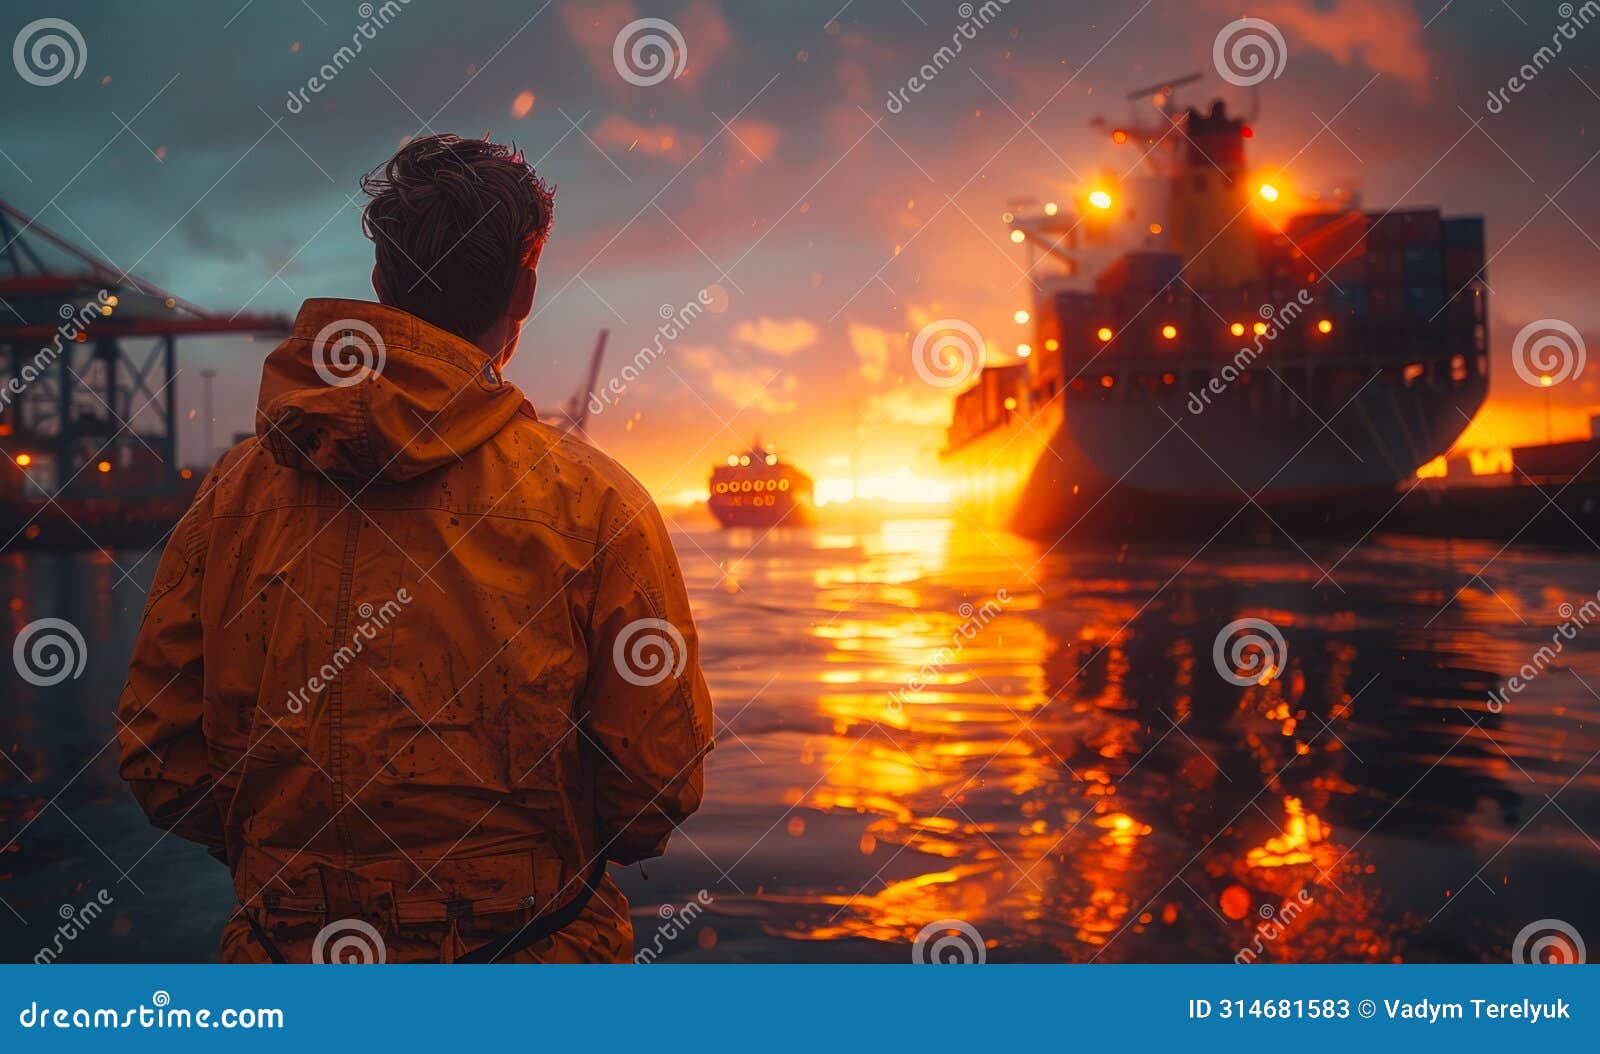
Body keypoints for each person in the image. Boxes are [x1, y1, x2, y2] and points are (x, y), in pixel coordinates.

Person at [116, 134, 713, 963]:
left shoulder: (231, 500)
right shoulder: (598, 505)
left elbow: (158, 750)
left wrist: (294, 864)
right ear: (525, 287)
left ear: (380, 283)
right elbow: (656, 783)